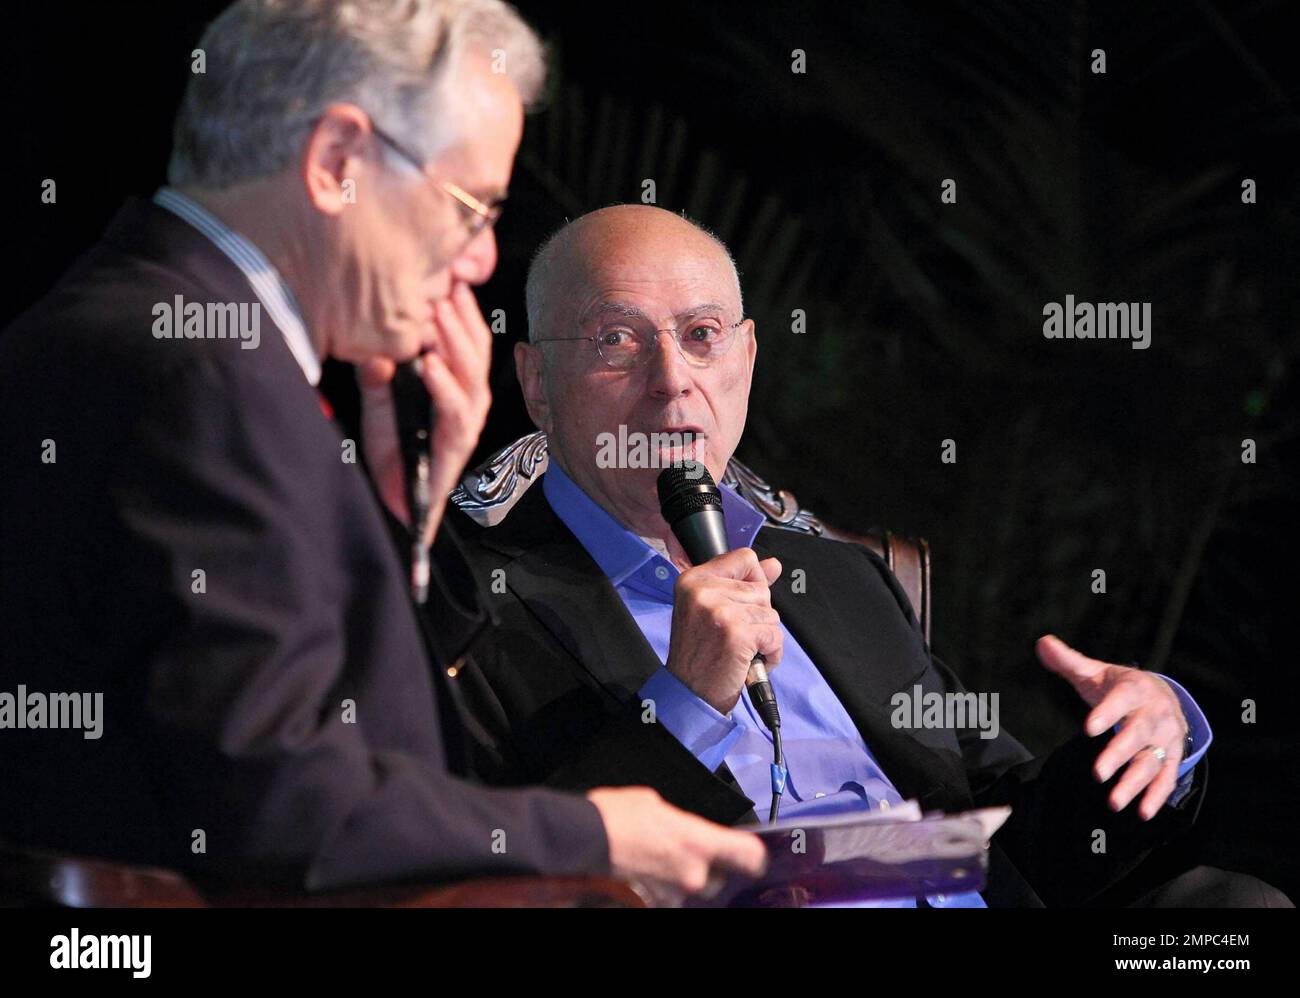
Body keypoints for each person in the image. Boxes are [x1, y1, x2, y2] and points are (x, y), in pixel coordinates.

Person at [0, 1, 764, 901]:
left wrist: (409, 520)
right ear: (336, 163)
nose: (482, 258)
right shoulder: (205, 375)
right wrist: (600, 828)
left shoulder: (141, 324)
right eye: (470, 206)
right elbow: (285, 810)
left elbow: (331, 743)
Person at [446, 204, 1291, 907]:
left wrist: (1146, 742)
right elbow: (515, 883)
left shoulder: (839, 579)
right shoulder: (471, 611)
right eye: (616, 342)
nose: (672, 380)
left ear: (745, 359)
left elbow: (1000, 836)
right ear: (534, 382)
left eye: (702, 334)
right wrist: (684, 705)